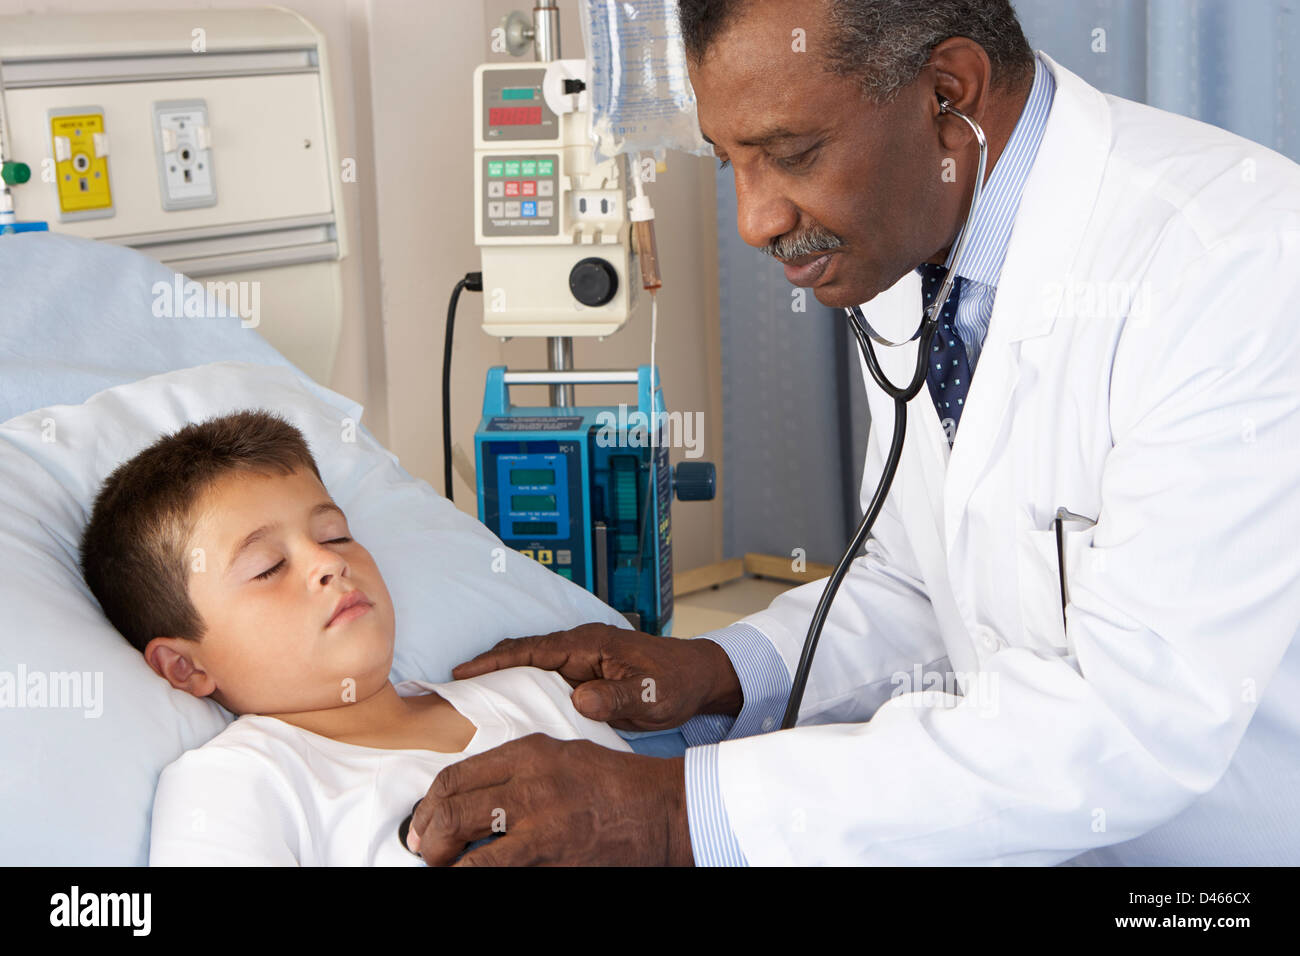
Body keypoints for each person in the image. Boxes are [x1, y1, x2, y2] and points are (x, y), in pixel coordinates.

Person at [408, 0, 1300, 865]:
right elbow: (921, 585)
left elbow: (1140, 718)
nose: (755, 221)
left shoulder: (1234, 263)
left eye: (790, 155)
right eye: (730, 165)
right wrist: (717, 672)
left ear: (948, 95)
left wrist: (680, 815)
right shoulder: (924, 241)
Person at [78, 409, 654, 865]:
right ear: (184, 667)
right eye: (267, 567)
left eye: (334, 535)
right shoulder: (241, 784)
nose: (327, 565)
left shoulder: (534, 692)